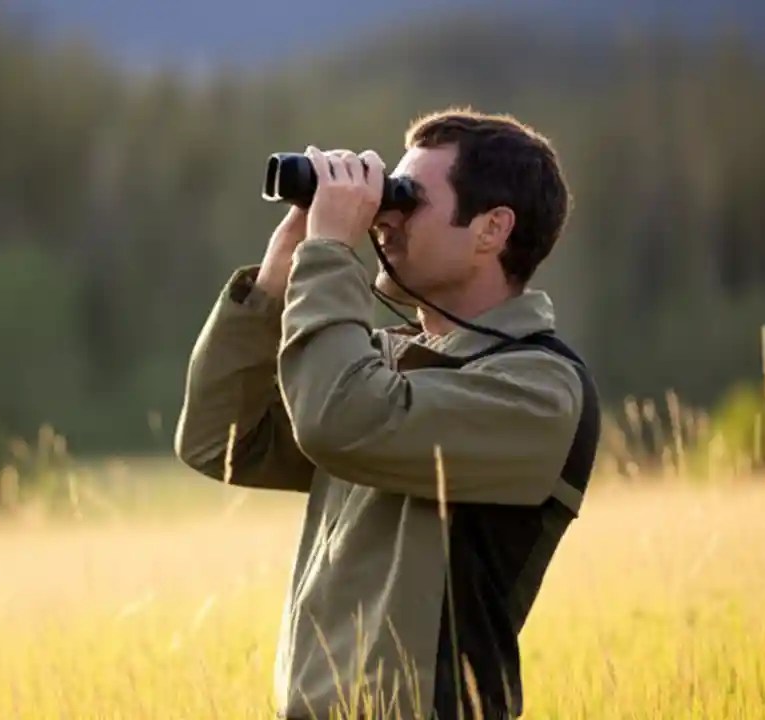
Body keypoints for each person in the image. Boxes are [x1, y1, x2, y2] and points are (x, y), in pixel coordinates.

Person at [173, 108, 600, 720]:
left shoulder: (540, 388)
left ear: (491, 229)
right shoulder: (384, 366)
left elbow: (340, 417)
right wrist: (277, 276)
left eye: (409, 199)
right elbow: (221, 440)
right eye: (387, 193)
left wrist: (331, 251)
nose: (386, 216)